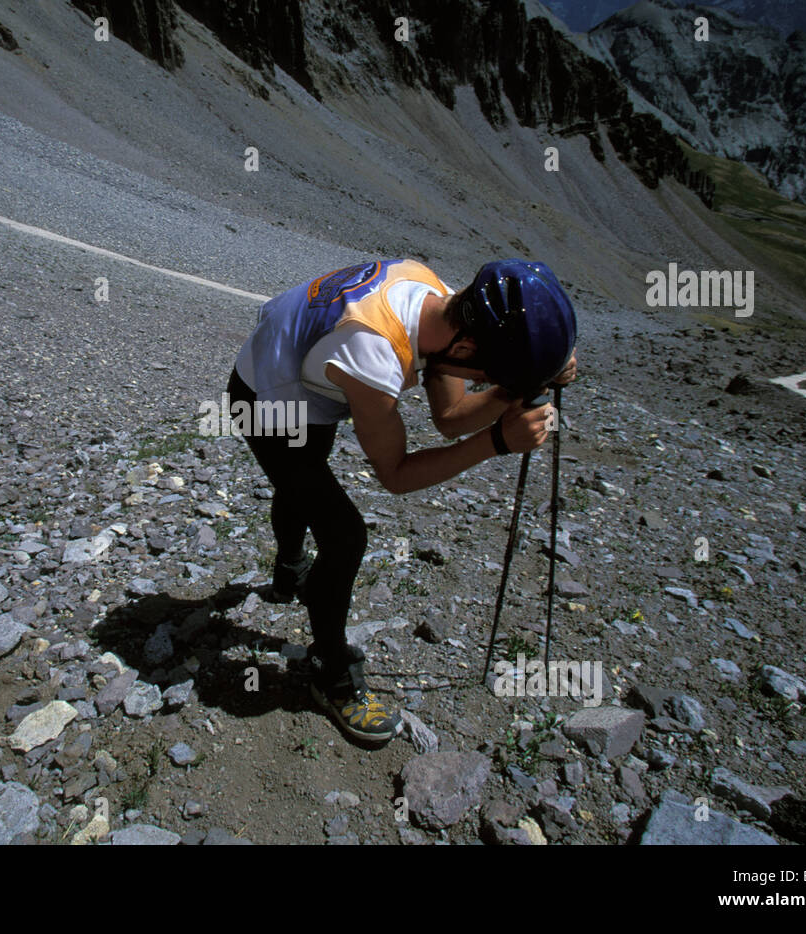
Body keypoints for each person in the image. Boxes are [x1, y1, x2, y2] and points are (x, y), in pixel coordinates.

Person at [229, 258, 577, 746]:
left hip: (296, 368)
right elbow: (395, 475)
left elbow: (450, 415)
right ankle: (330, 671)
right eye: (487, 374)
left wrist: (525, 375)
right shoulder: (371, 349)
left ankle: (289, 571)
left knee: (303, 483)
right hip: (266, 399)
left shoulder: (438, 294)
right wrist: (498, 441)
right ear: (468, 346)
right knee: (344, 533)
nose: (483, 382)